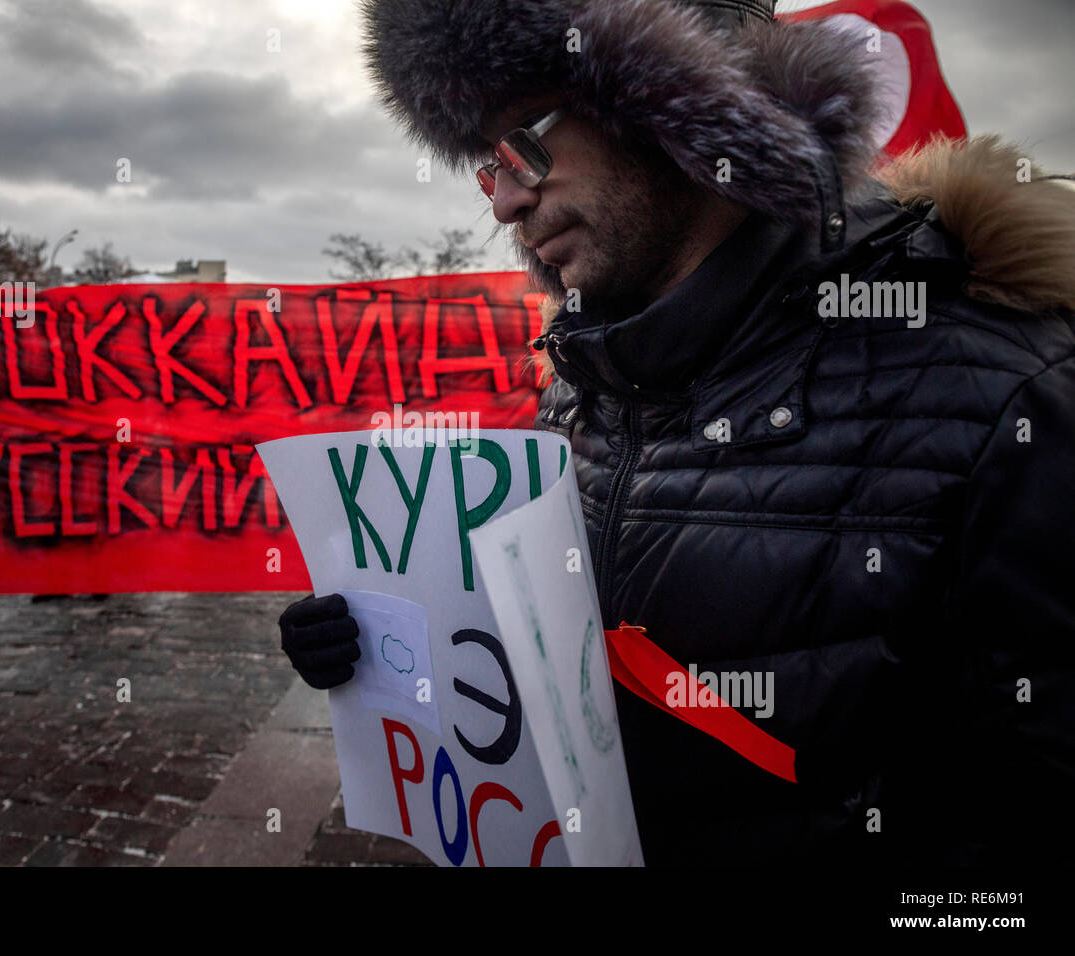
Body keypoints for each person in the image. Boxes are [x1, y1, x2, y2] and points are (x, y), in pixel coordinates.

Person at [279, 0, 1075, 865]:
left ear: (672, 106)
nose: (504, 202)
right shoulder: (580, 389)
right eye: (484, 169)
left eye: (522, 145)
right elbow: (555, 664)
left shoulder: (1007, 395)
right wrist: (391, 650)